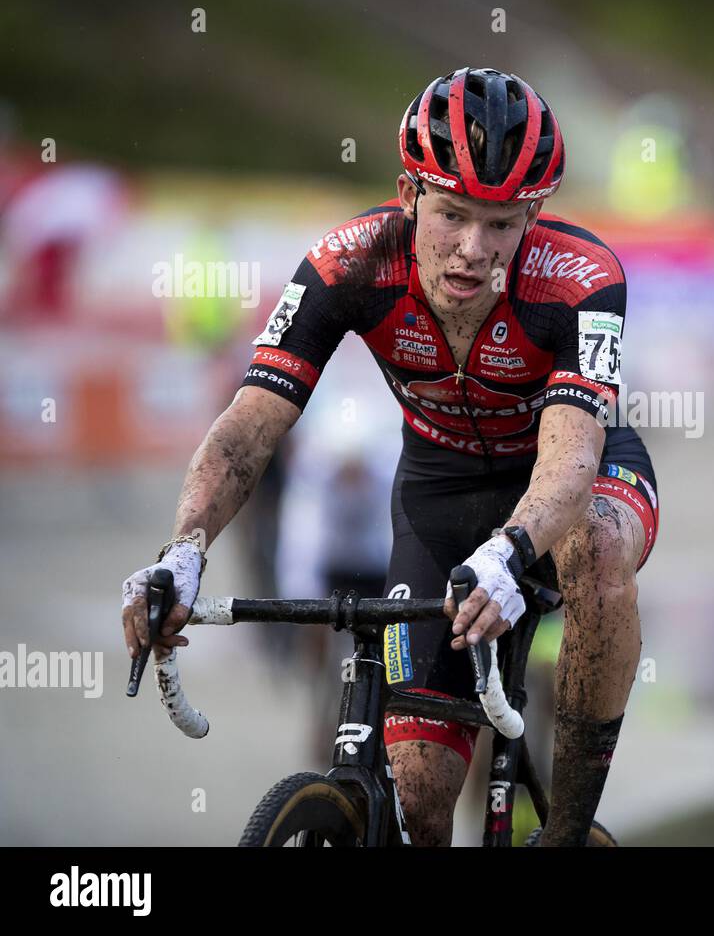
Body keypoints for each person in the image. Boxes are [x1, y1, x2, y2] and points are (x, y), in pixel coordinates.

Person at [120, 67, 660, 846]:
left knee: (598, 544)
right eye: (452, 215)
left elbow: (572, 459)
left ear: (534, 215)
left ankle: (569, 829)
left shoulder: (582, 278)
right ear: (408, 193)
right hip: (441, 489)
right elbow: (248, 428)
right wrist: (185, 548)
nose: (473, 250)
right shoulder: (352, 261)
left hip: (579, 478)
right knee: (418, 794)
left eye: (501, 224)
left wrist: (515, 548)